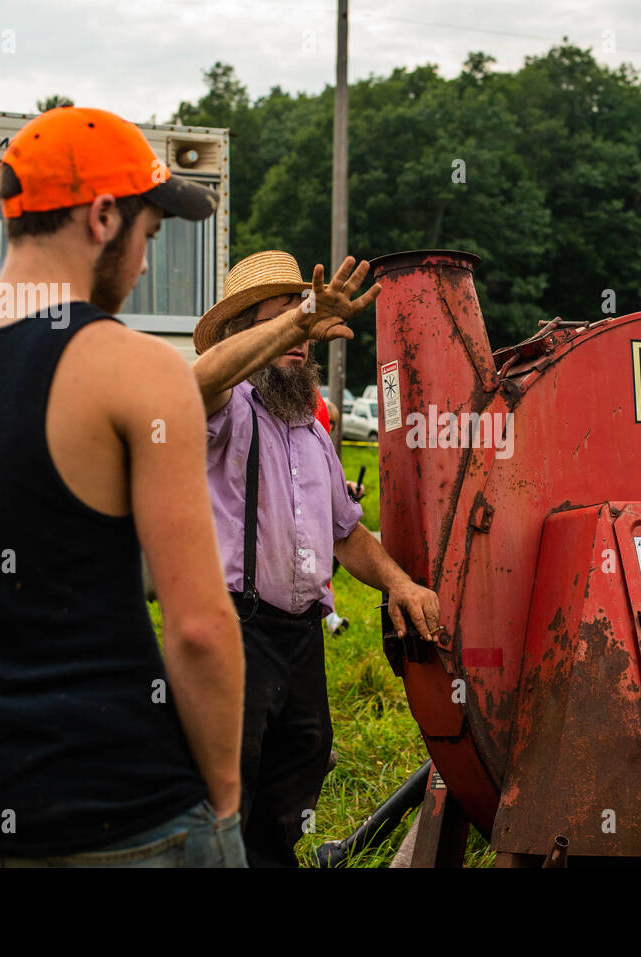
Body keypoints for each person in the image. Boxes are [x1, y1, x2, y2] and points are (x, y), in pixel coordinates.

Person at [0, 106, 247, 867]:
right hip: (128, 816)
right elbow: (200, 627)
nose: (145, 263)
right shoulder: (140, 372)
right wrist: (224, 794)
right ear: (104, 216)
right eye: (148, 234)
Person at [192, 249, 442, 867]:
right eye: (286, 322)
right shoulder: (223, 408)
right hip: (233, 629)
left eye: (307, 326)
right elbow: (197, 379)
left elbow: (346, 532)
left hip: (300, 636)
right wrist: (301, 317)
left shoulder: (310, 428)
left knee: (299, 766)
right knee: (225, 790)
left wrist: (400, 584)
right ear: (243, 331)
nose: (303, 339)